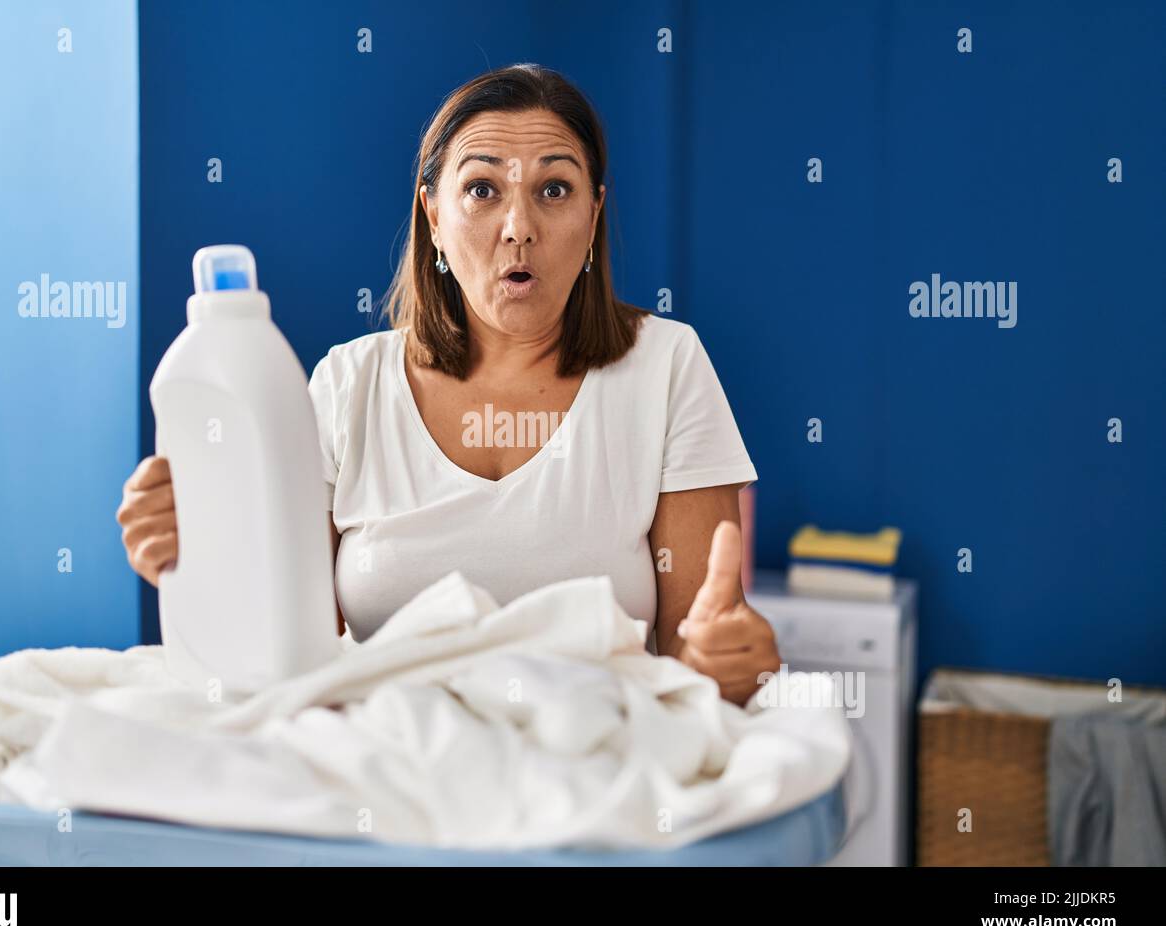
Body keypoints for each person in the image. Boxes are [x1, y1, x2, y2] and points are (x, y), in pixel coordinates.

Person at [116, 63, 780, 706]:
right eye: (483, 190)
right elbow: (280, 642)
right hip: (390, 772)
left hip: (593, 770)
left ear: (595, 213)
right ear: (434, 214)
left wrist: (733, 661)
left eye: (554, 190)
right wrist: (193, 559)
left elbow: (700, 653)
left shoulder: (665, 366)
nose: (519, 228)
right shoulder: (349, 385)